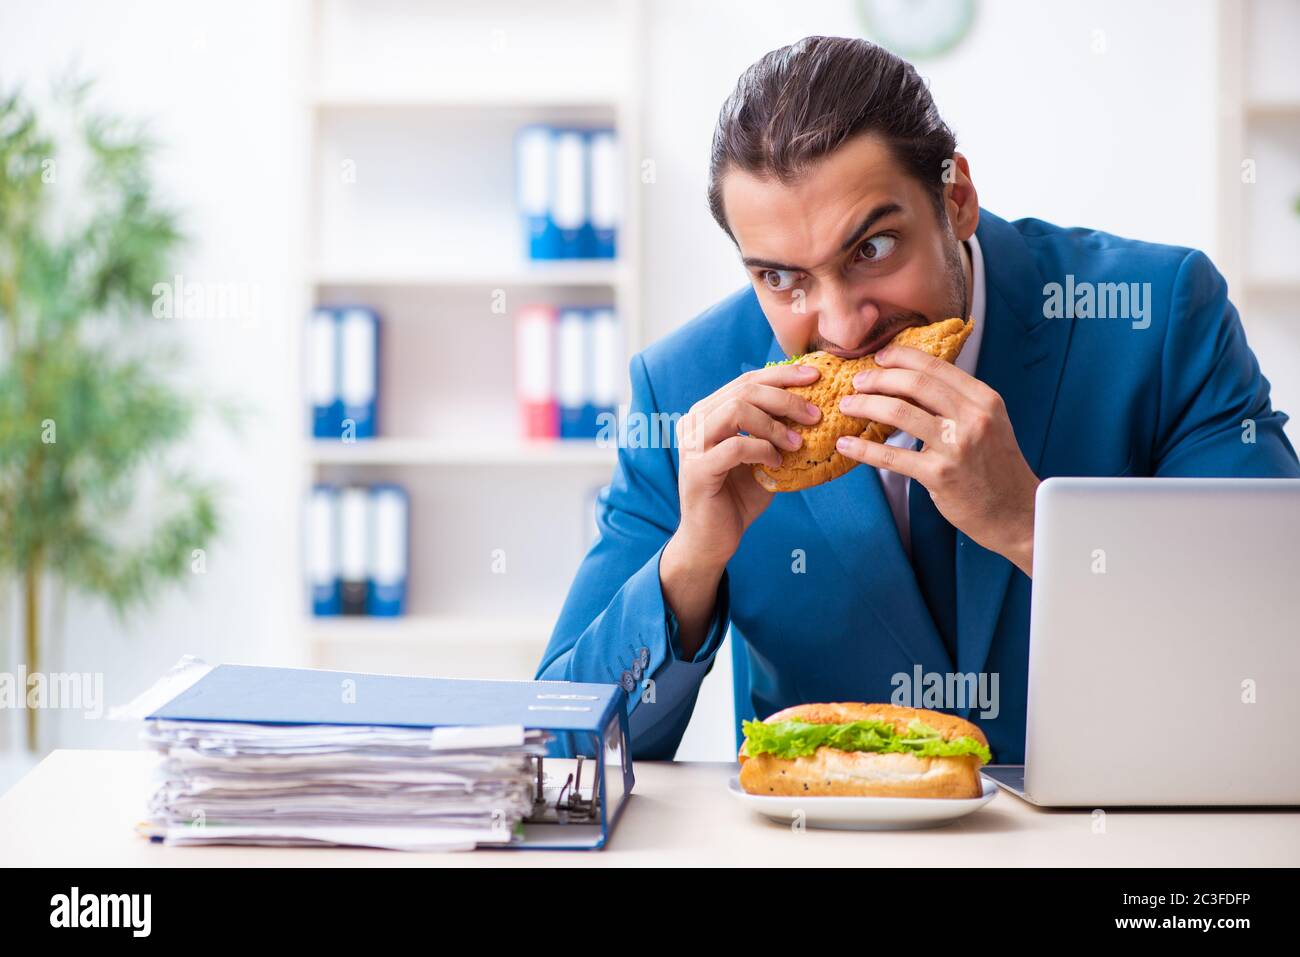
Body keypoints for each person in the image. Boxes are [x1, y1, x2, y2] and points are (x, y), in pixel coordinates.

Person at [535, 36, 1300, 763]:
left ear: (956, 198)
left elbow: (1275, 640)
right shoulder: (682, 391)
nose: (841, 325)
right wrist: (689, 564)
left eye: (871, 249)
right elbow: (559, 751)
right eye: (781, 278)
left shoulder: (1158, 318)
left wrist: (1032, 525)